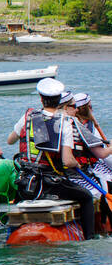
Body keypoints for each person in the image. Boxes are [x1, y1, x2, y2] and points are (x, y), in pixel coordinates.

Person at [5, 77, 96, 238]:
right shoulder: (65, 122)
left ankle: (8, 234)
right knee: (87, 197)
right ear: (60, 100)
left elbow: (10, 140)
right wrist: (77, 165)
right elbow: (67, 161)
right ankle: (89, 238)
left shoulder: (28, 116)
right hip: (51, 185)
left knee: (16, 199)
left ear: (41, 98)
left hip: (26, 186)